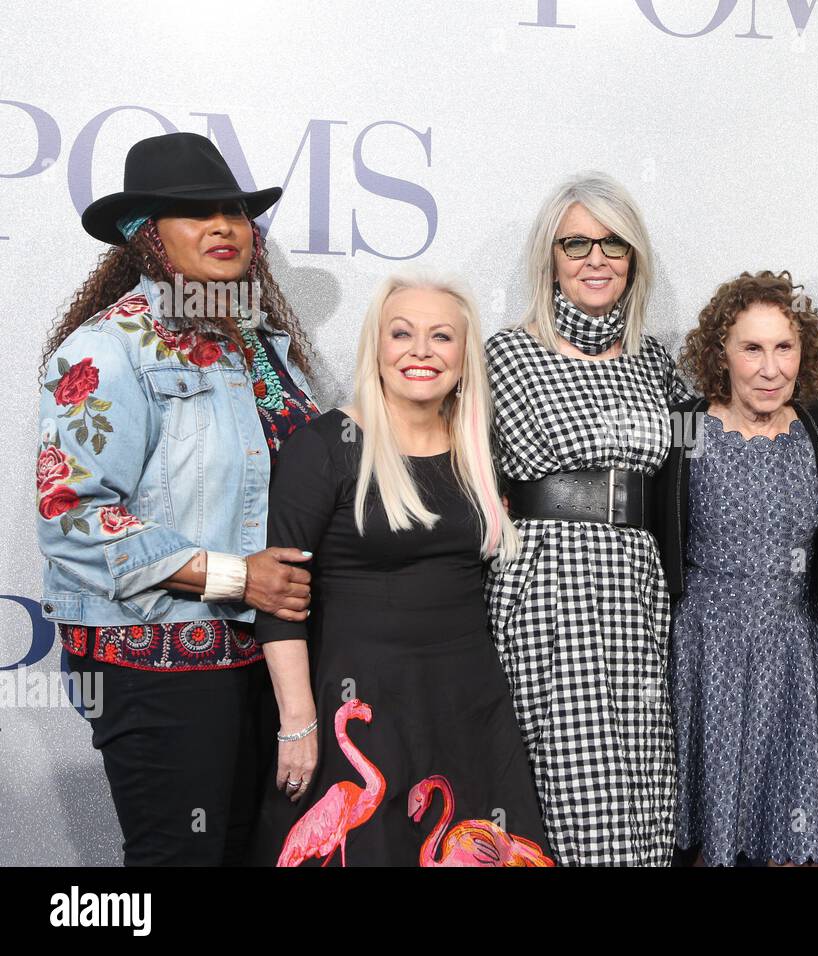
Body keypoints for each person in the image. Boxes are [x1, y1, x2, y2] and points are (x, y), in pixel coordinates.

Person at [36, 131, 320, 865]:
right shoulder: (108, 347)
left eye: (232, 210)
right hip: (154, 663)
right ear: (144, 235)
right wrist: (237, 576)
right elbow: (75, 514)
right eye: (194, 212)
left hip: (259, 659)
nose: (223, 226)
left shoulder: (256, 348)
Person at [255, 269, 552, 867]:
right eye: (402, 333)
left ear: (465, 357)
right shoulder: (324, 446)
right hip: (362, 704)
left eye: (441, 337)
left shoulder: (479, 450)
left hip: (469, 705)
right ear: (377, 347)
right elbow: (279, 600)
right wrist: (297, 722)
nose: (421, 351)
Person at [485, 172, 691, 866]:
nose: (595, 259)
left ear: (635, 259)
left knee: (642, 781)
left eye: (613, 244)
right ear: (551, 256)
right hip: (546, 582)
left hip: (635, 585)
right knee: (559, 784)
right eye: (577, 243)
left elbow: (703, 460)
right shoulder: (507, 354)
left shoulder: (654, 365)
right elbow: (465, 481)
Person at [657, 271, 818, 866]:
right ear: (722, 353)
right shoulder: (685, 427)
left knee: (789, 841)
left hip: (792, 649)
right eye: (752, 348)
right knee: (711, 836)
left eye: (784, 347)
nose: (771, 368)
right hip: (705, 649)